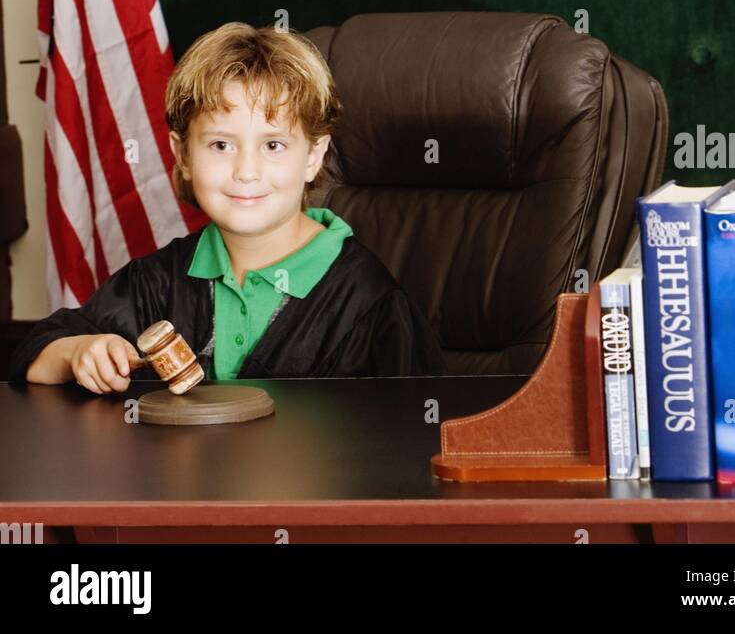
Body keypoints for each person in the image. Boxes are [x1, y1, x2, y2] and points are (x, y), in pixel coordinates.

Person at [9, 21, 445, 391]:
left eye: (273, 144)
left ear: (313, 156)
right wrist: (77, 354)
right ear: (182, 156)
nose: (246, 171)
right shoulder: (156, 282)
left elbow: (409, 443)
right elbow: (35, 353)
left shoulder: (371, 303)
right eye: (220, 144)